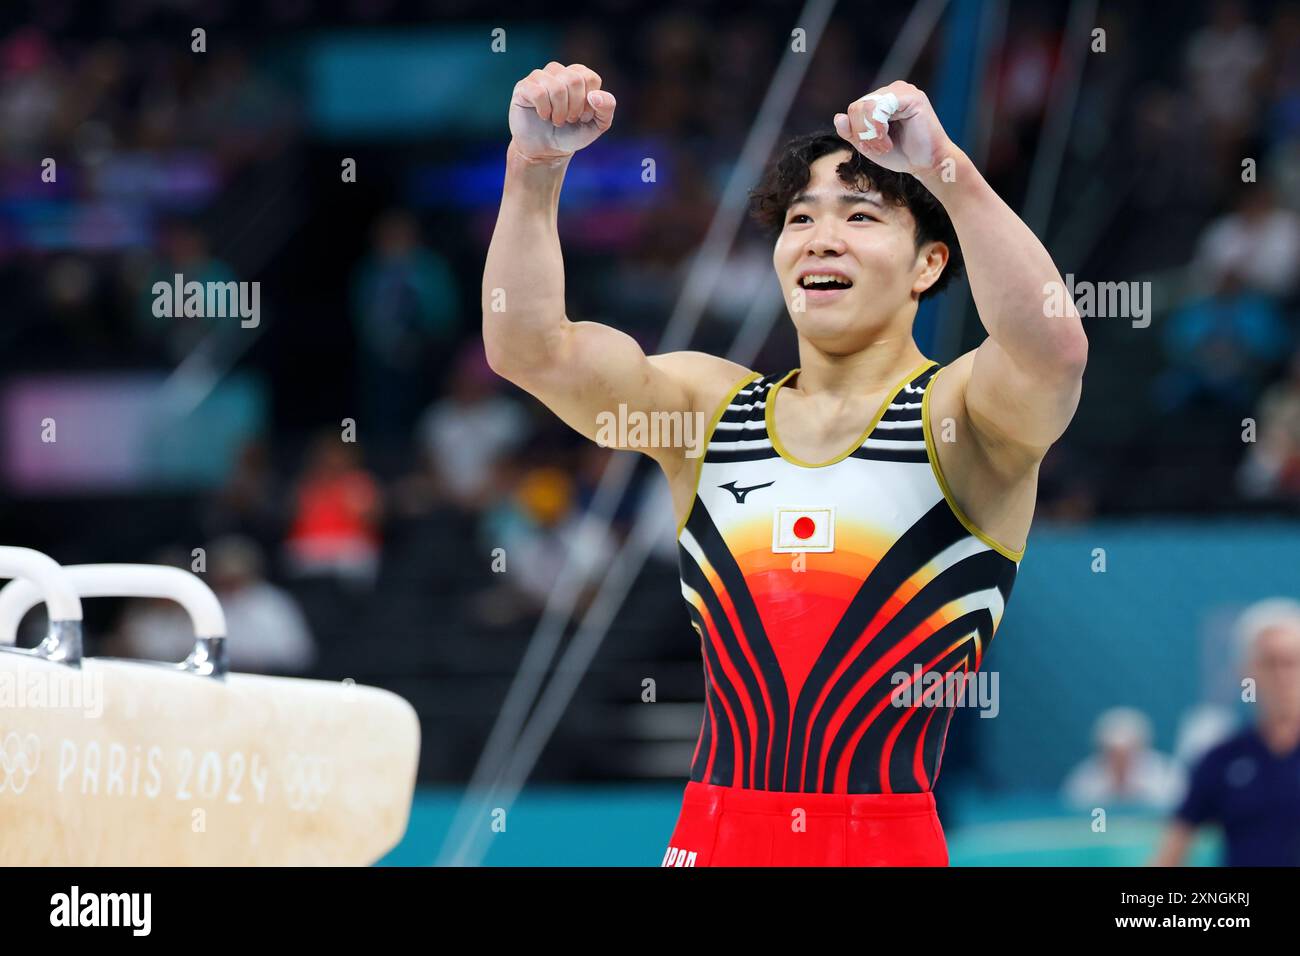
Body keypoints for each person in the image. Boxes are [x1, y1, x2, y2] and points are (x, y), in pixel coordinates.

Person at [482, 63, 1087, 866]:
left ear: (929, 265)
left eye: (861, 215)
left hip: (880, 845)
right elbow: (531, 349)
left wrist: (947, 167)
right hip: (712, 839)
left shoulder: (961, 418)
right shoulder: (705, 411)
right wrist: (533, 169)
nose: (821, 236)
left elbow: (1052, 347)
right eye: (800, 218)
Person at [1152, 599, 1300, 866]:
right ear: (1248, 671)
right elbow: (1170, 854)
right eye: (1270, 663)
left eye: (1291, 662)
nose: (1282, 676)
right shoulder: (1222, 759)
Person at [1062, 707, 1185, 812]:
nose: (1120, 760)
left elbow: (1179, 810)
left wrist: (1136, 793)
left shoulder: (1166, 772)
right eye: (1112, 753)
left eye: (1129, 752)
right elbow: (1073, 811)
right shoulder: (1085, 776)